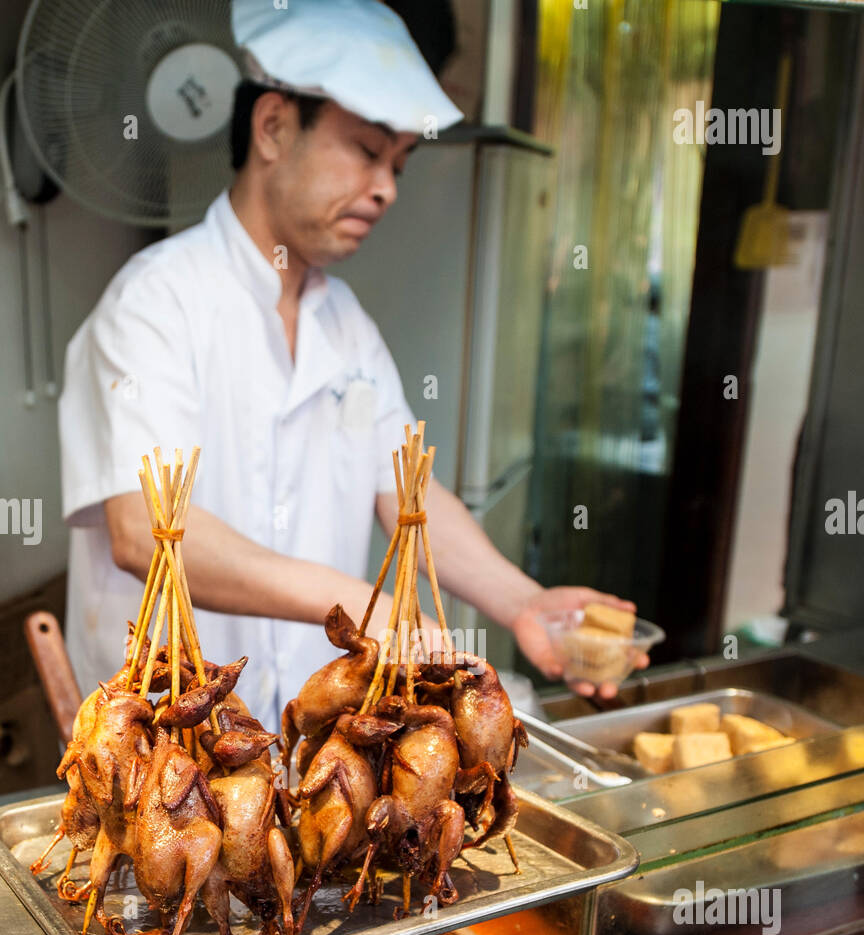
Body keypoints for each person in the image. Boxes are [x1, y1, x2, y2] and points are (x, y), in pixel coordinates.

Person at [59, 0, 644, 733]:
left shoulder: (346, 327)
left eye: (398, 163)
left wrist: (523, 601)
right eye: (367, 152)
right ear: (273, 126)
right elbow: (144, 530)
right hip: (171, 760)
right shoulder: (156, 302)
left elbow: (406, 482)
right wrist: (365, 605)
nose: (387, 188)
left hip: (306, 750)